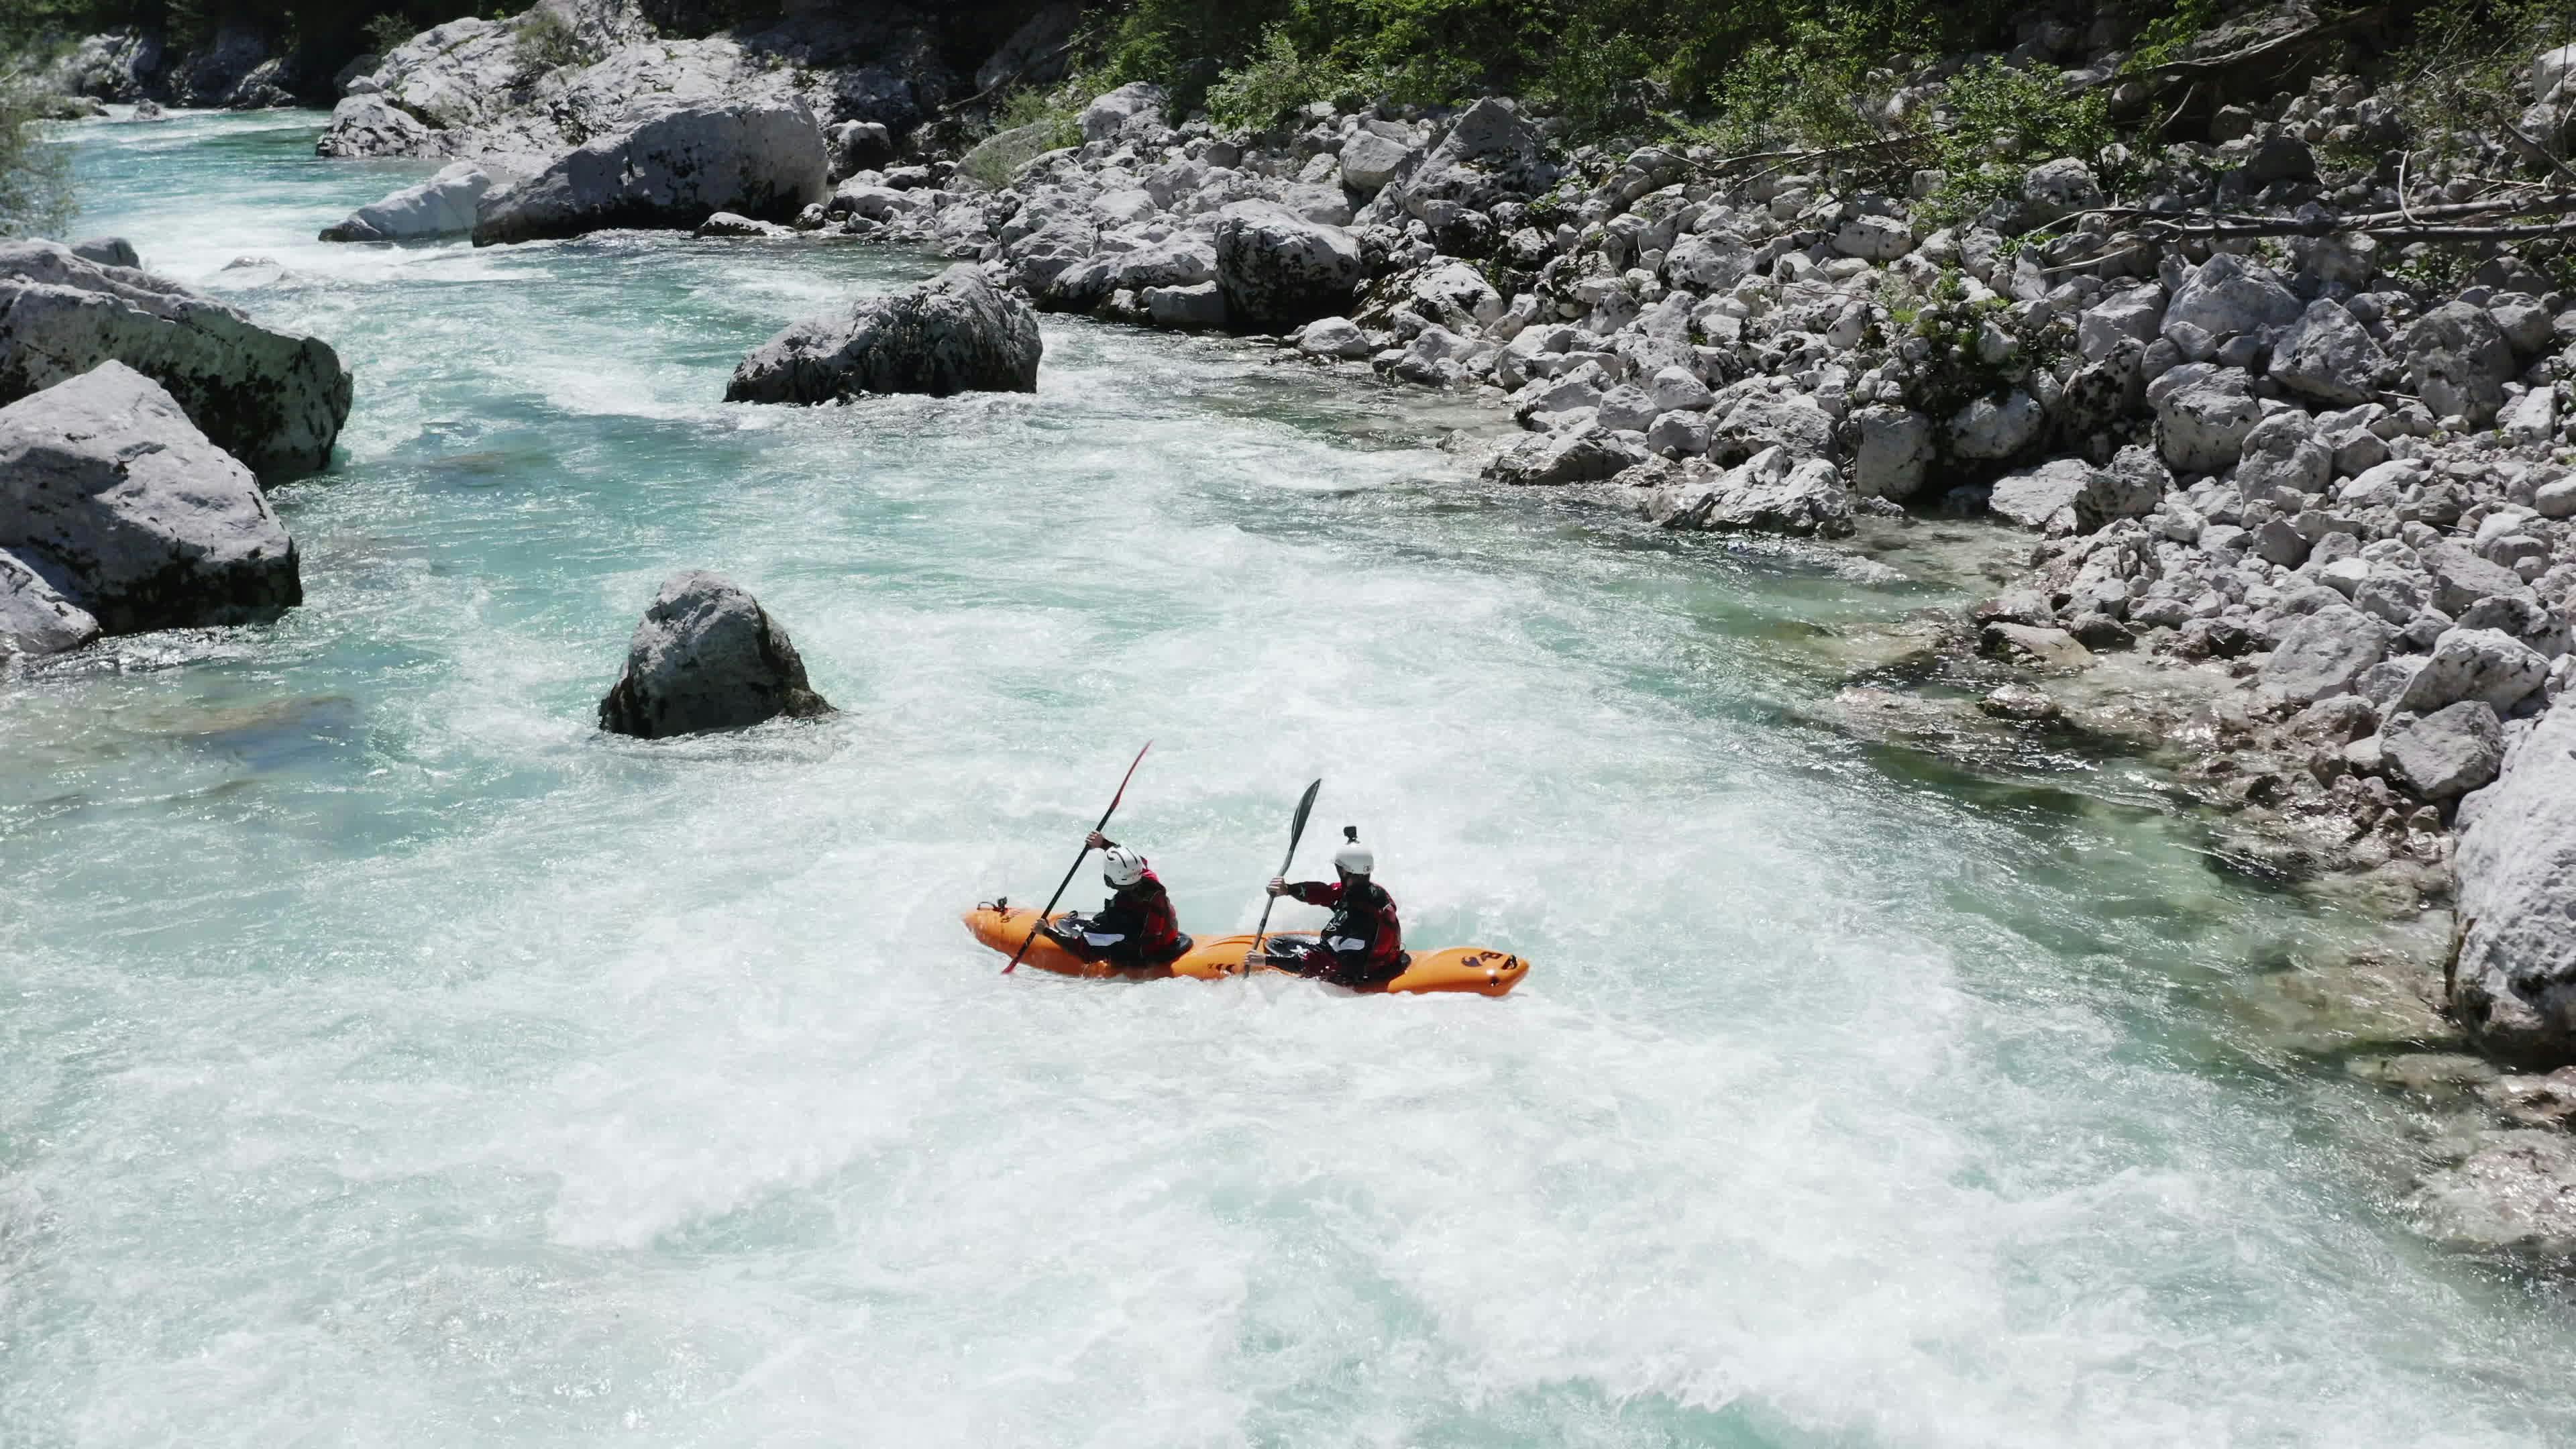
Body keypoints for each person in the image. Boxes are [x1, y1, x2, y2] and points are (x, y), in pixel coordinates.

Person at [1263, 826, 1404, 987]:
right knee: (1278, 943)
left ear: (1344, 871)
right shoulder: (1373, 892)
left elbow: (1318, 964)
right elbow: (1326, 893)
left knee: (1274, 949)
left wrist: (1266, 961)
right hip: (1383, 958)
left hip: (1364, 972)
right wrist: (1288, 889)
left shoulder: (1354, 920)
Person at [1046, 830, 1184, 968]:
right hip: (1168, 938)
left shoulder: (1114, 918)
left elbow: (1083, 951)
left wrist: (1046, 931)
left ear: (1109, 879)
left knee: (1096, 938)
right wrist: (1103, 843)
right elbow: (1129, 862)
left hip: (1143, 953)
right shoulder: (1150, 878)